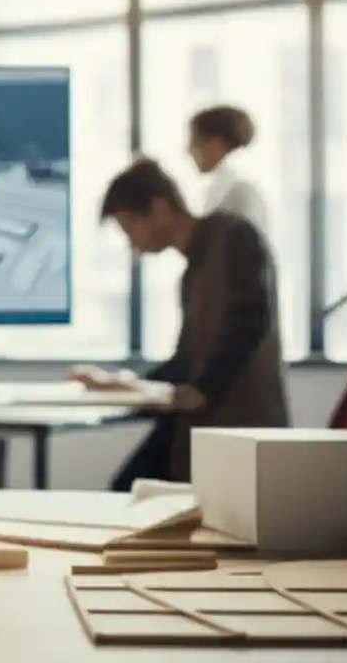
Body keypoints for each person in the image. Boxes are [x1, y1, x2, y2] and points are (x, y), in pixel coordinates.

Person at [75, 159, 289, 490]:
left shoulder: (235, 237)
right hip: (200, 423)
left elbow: (250, 320)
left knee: (125, 492)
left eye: (130, 228)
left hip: (238, 429)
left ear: (159, 208)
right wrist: (125, 384)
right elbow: (187, 360)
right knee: (123, 490)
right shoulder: (193, 270)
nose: (133, 245)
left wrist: (203, 390)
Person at [188, 105, 268, 234]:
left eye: (194, 142)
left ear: (215, 143)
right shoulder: (222, 185)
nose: (189, 151)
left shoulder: (239, 189)